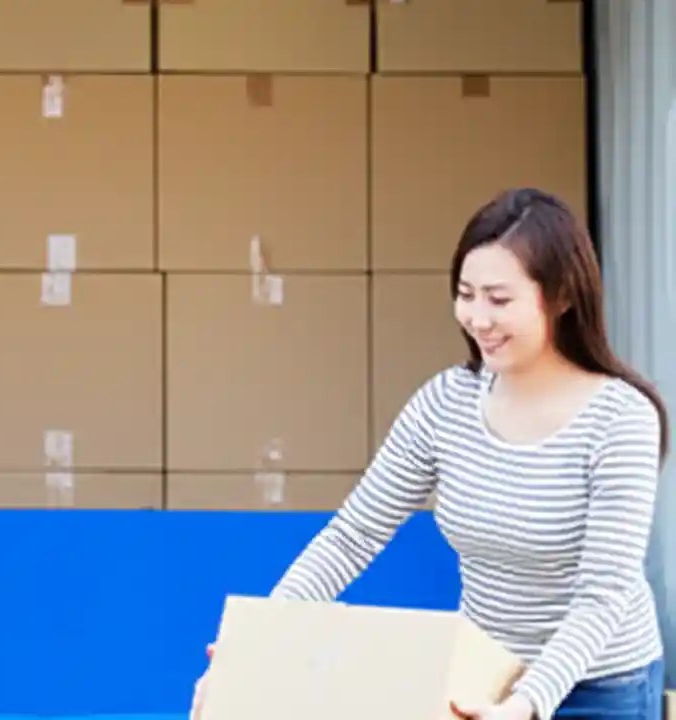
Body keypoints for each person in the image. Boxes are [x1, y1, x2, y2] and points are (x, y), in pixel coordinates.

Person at [190, 188, 669, 720]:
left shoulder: (620, 419)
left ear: (561, 296)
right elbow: (354, 535)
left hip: (599, 687)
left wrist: (527, 705)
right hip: (483, 677)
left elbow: (602, 593)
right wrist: (254, 650)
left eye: (499, 299)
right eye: (465, 294)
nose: (477, 317)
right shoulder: (447, 402)